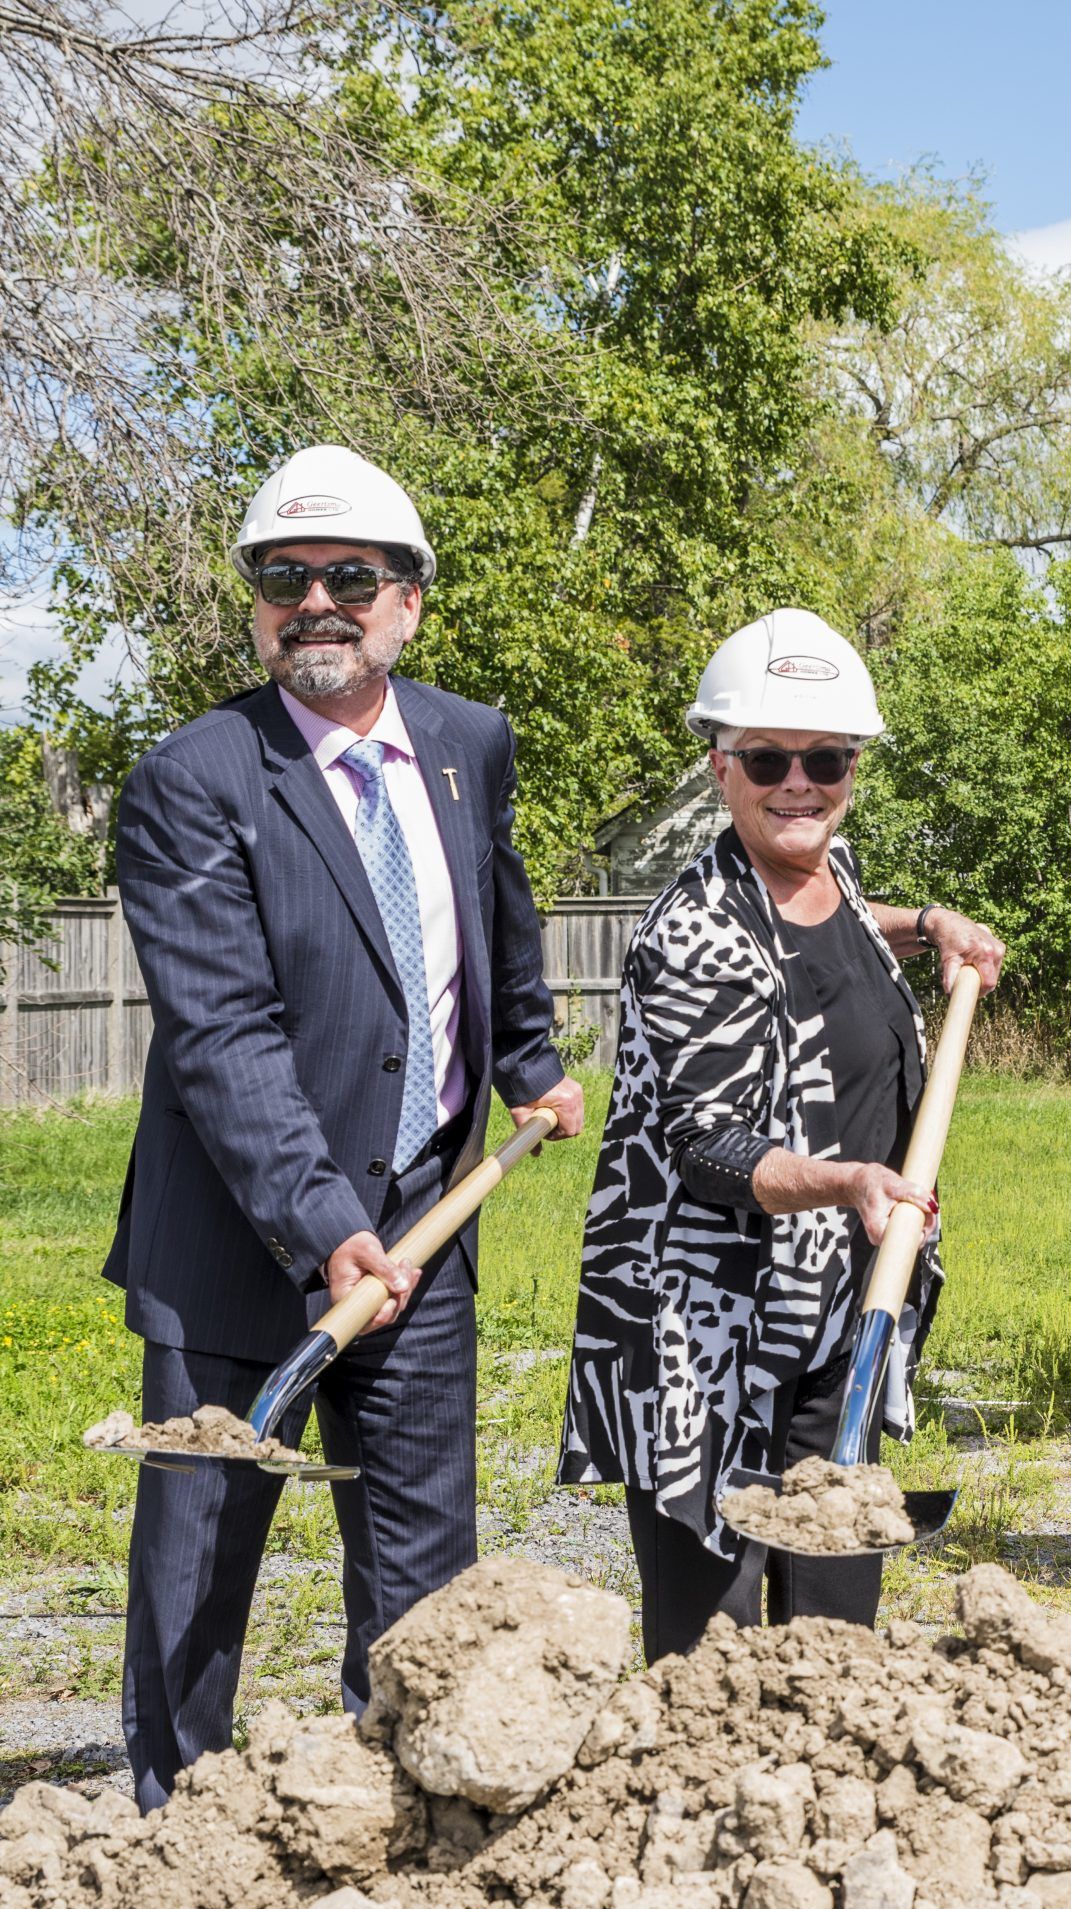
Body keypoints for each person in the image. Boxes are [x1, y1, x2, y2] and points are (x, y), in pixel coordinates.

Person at [108, 444, 584, 1807]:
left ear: (409, 601)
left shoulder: (465, 743)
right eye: (283, 578)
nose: (315, 602)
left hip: (423, 1220)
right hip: (238, 1243)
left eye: (350, 578)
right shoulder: (193, 780)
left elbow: (497, 916)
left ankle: (408, 1812)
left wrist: (531, 1062)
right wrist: (326, 1232)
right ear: (255, 603)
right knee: (201, 1561)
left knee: (421, 1568)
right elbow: (225, 1040)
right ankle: (171, 1833)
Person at [562, 609, 1005, 1663]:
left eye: (826, 759)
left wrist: (934, 922)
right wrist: (848, 1179)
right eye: (768, 759)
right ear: (722, 766)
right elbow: (706, 1147)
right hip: (706, 1339)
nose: (798, 781)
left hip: (836, 1309)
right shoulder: (695, 934)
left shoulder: (825, 874)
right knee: (710, 1649)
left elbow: (848, 910)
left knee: (834, 1629)